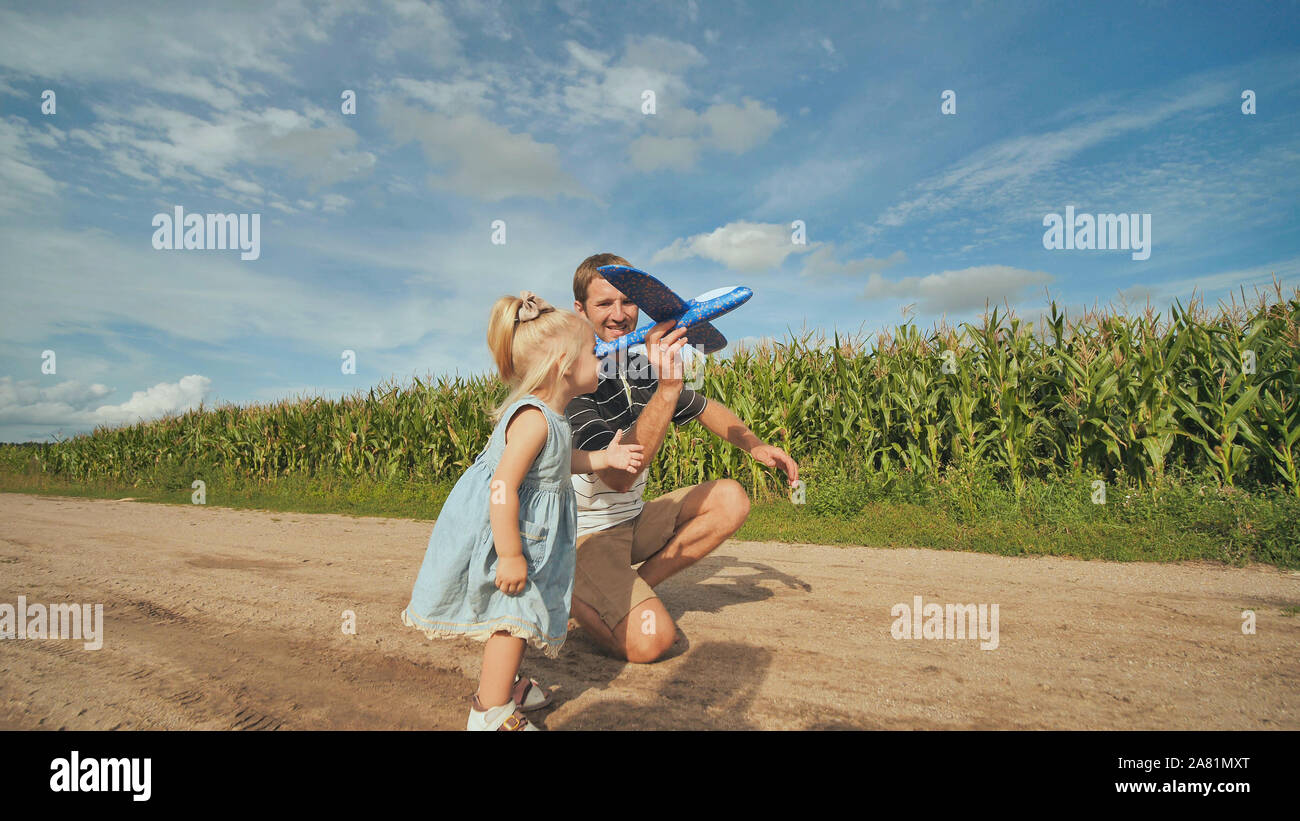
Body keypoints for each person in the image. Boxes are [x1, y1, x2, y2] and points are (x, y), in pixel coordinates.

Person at [401, 291, 645, 731]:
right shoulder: (534, 419)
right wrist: (511, 554)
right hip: (514, 533)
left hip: (531, 532)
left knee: (520, 615)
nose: (601, 358)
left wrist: (601, 460)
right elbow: (502, 486)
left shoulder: (553, 418)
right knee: (513, 619)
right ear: (563, 365)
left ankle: (506, 687)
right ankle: (490, 714)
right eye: (593, 352)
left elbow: (556, 462)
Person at [566, 253, 801, 663]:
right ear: (580, 309)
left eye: (628, 302)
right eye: (605, 304)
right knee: (653, 641)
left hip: (632, 520)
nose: (620, 315)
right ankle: (566, 589)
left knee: (730, 498)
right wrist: (668, 388)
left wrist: (755, 445)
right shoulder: (573, 380)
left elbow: (705, 407)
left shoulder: (638, 366)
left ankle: (634, 586)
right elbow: (618, 478)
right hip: (584, 537)